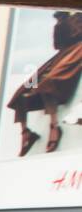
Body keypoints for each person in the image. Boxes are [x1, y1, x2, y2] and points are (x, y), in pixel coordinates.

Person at [6, 11, 82, 156]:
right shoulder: (65, 18)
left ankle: (54, 125)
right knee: (23, 90)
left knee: (49, 82)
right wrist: (61, 23)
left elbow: (76, 35)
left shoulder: (78, 17)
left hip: (76, 52)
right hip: (61, 56)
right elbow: (58, 44)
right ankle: (26, 132)